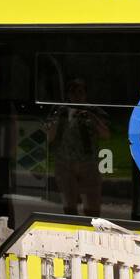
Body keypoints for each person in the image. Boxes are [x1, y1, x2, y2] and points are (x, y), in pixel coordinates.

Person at [47, 77, 109, 216]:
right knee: (69, 207)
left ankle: (91, 234)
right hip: (64, 164)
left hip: (89, 164)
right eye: (72, 92)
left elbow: (105, 134)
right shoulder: (59, 110)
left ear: (85, 94)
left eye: (80, 92)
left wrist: (91, 117)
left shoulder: (94, 111)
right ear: (68, 94)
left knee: (92, 208)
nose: (76, 95)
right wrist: (59, 119)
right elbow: (49, 137)